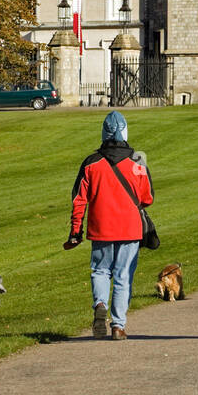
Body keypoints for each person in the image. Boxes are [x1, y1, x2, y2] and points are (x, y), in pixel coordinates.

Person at [65, 110, 153, 340]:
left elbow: (79, 200)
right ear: (125, 132)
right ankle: (118, 325)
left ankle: (100, 303)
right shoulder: (137, 161)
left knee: (101, 270)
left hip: (101, 226)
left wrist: (76, 230)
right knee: (123, 276)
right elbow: (147, 198)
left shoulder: (91, 163)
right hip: (129, 227)